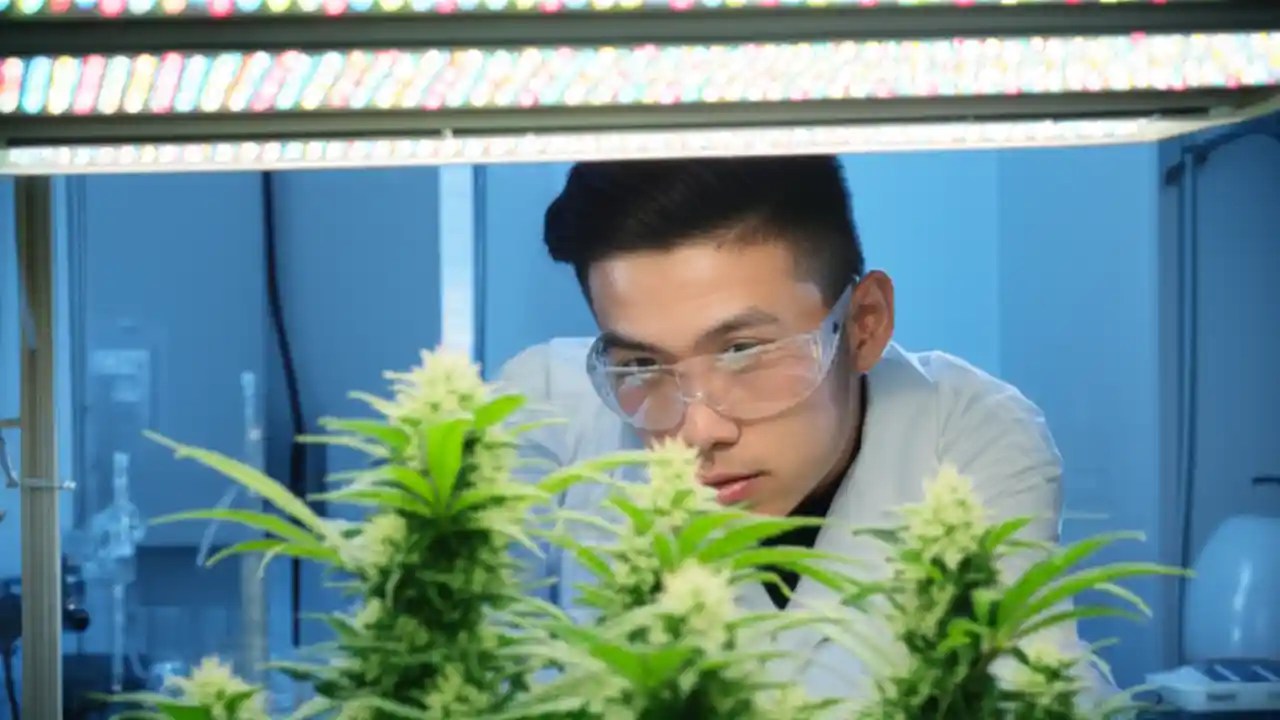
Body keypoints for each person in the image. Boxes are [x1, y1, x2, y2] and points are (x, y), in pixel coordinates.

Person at [497, 155, 1094, 701]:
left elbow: (1034, 690)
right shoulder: (547, 406)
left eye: (742, 352)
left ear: (864, 324)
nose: (698, 429)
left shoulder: (966, 432)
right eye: (642, 364)